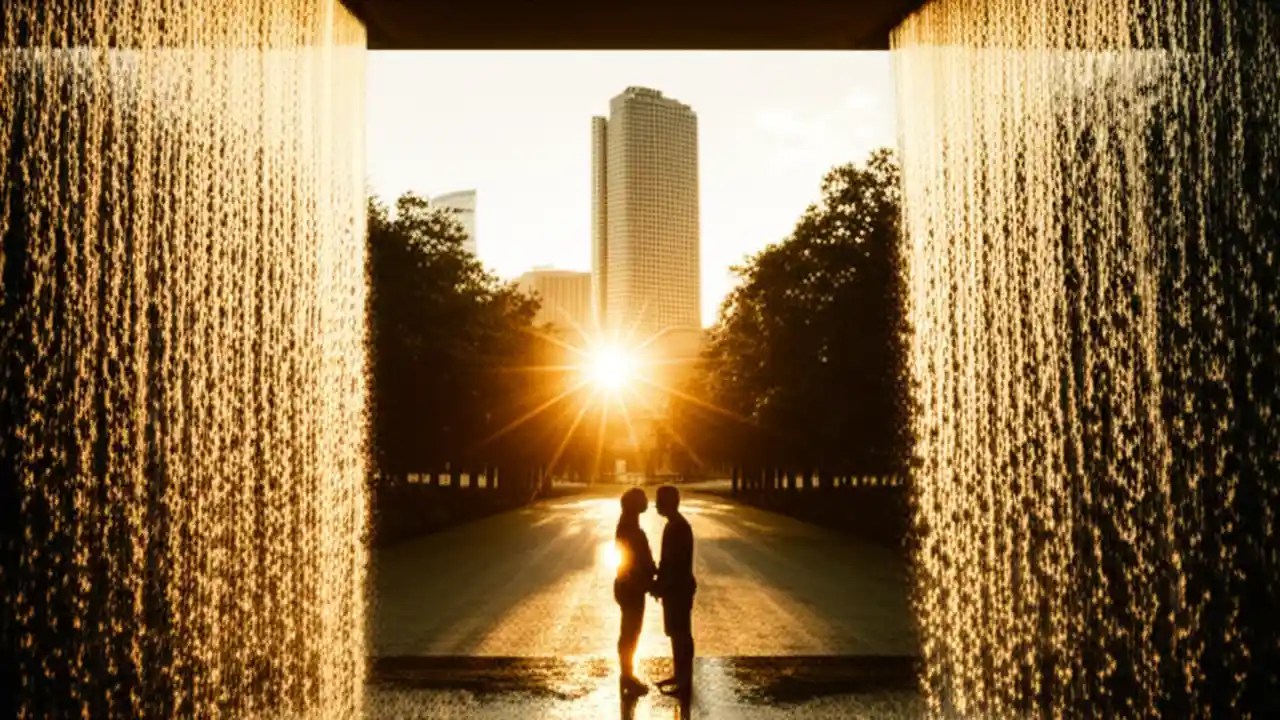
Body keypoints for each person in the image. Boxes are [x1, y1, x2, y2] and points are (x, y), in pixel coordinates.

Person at [651, 484, 696, 697]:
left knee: (680, 634)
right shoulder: (676, 525)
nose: (656, 505)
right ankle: (681, 674)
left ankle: (685, 678)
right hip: (676, 587)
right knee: (677, 633)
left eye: (659, 500)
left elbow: (673, 563)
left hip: (677, 588)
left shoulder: (677, 527)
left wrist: (660, 585)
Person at [614, 487, 656, 697]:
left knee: (630, 632)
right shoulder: (630, 529)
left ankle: (627, 675)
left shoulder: (627, 525)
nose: (648, 501)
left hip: (629, 584)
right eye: (643, 498)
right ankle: (627, 676)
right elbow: (635, 560)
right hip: (631, 586)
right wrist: (649, 580)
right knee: (630, 632)